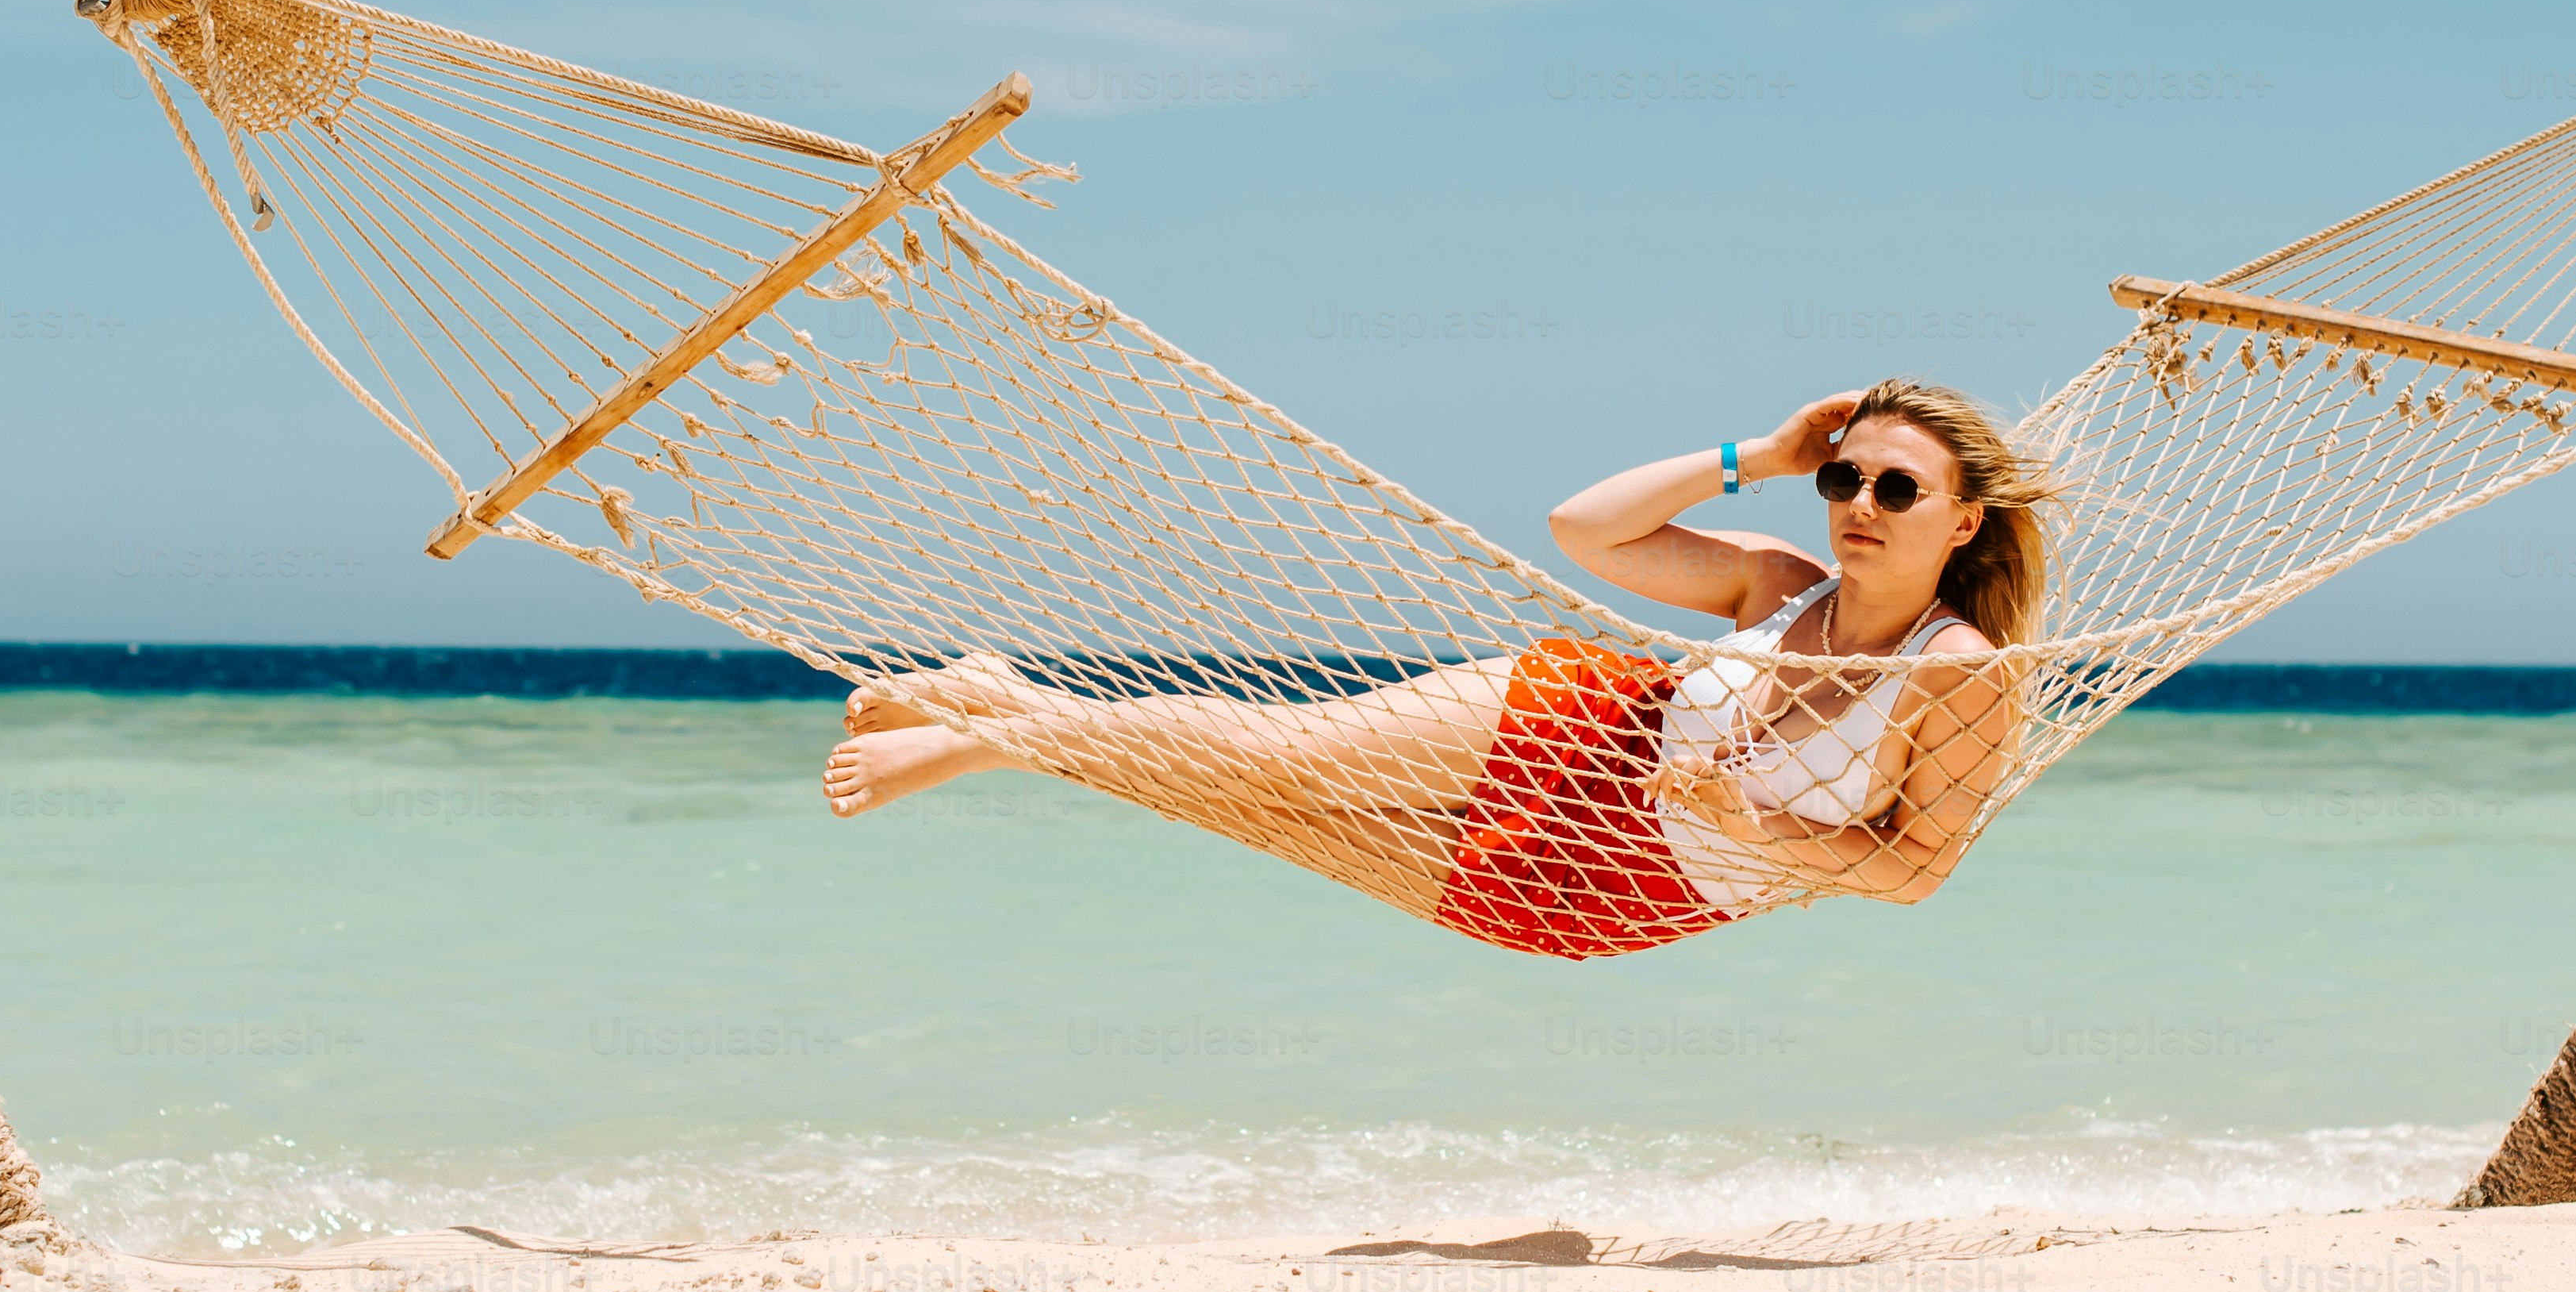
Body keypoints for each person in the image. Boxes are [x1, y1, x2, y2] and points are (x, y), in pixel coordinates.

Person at [819, 378, 2052, 955]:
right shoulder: (1783, 582)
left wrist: (1755, 828)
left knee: (1254, 810)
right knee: (1291, 755)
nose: (1861, 504)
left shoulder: (1962, 673)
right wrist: (1761, 457)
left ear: (1963, 522)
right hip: (1584, 726)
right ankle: (1004, 715)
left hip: (1630, 883)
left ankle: (994, 718)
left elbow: (1913, 870)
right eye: (1845, 476)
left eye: (1899, 489)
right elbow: (1586, 529)